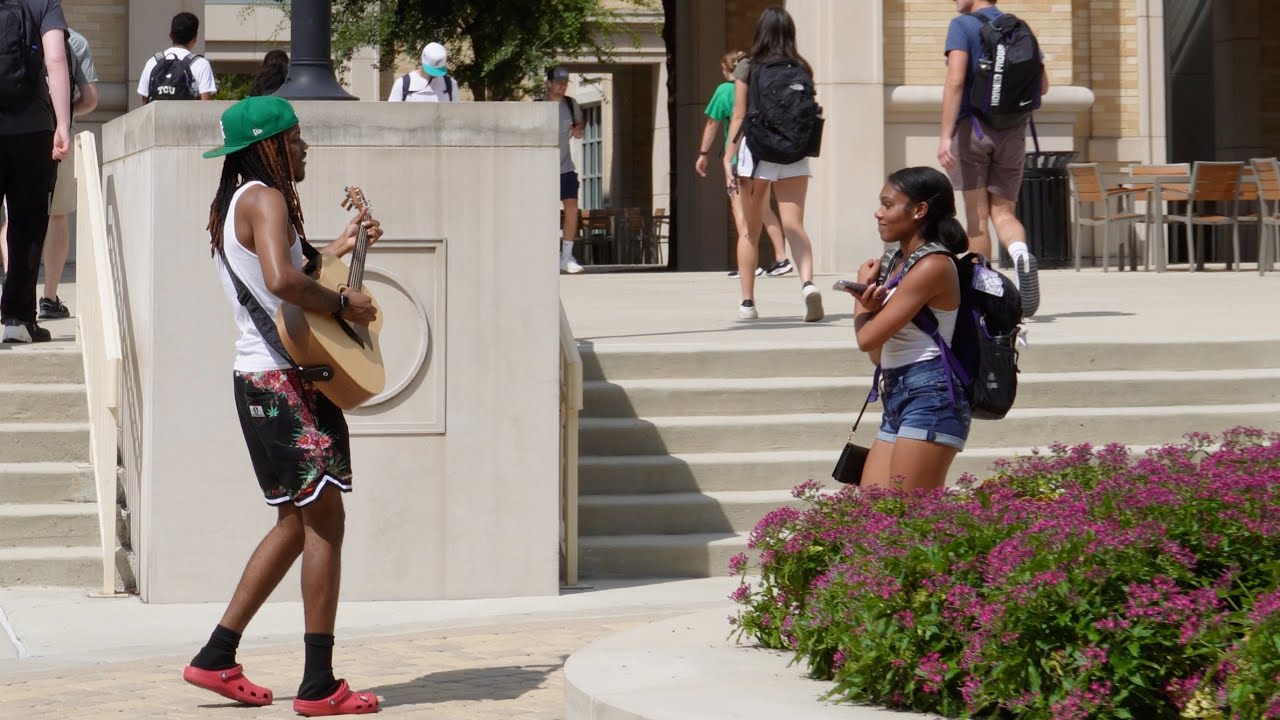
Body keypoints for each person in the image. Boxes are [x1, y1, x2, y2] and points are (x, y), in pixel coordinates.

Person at [185, 96, 382, 716]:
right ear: (268, 144)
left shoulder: (236, 202)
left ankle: (216, 656)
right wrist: (345, 305)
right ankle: (319, 686)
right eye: (295, 139)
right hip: (285, 381)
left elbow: (285, 271)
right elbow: (280, 283)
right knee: (325, 522)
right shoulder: (265, 197)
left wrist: (337, 246)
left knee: (297, 521)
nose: (304, 148)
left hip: (258, 381)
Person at [849, 166, 972, 490]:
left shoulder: (933, 265)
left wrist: (862, 293)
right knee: (873, 513)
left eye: (888, 204)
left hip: (932, 394)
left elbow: (866, 338)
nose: (878, 213)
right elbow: (877, 355)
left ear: (919, 210)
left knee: (911, 519)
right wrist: (872, 304)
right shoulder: (893, 263)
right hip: (897, 389)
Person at [938, 0, 1048, 316]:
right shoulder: (1018, 27)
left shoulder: (962, 26)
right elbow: (1042, 84)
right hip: (1012, 131)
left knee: (977, 218)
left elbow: (955, 81)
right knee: (1004, 213)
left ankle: (983, 296)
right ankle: (1021, 254)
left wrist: (945, 134)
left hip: (971, 128)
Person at [723, 6, 822, 322]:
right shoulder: (802, 68)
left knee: (750, 232)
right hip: (795, 153)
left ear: (760, 32)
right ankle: (807, 284)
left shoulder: (747, 68)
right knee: (794, 225)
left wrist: (728, 156)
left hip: (758, 152)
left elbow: (739, 115)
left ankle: (748, 303)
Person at [0, 0, 71, 343]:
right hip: (32, 128)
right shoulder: (43, 3)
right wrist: (63, 124)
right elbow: (56, 60)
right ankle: (17, 319)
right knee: (26, 225)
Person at [696, 49, 793, 280]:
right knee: (764, 208)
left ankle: (749, 263)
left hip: (740, 157)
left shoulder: (725, 90)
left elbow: (712, 124)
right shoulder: (758, 89)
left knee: (740, 209)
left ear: (725, 69)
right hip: (763, 154)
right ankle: (782, 258)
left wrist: (703, 153)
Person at [35, 27, 98, 320]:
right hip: (57, 135)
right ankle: (48, 298)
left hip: (13, 131)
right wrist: (63, 115)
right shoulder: (74, 40)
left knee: (12, 217)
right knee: (57, 214)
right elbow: (90, 99)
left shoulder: (11, 28)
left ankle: (13, 292)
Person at [546, 66, 584, 274]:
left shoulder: (571, 104)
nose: (562, 85)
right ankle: (546, 253)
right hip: (543, 168)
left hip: (565, 166)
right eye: (558, 81)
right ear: (549, 83)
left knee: (571, 206)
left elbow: (579, 130)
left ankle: (567, 256)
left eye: (565, 82)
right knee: (545, 210)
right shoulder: (540, 106)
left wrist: (578, 131)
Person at [137, 12, 216, 103]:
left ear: (170, 35)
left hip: (159, 117)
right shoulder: (201, 64)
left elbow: (145, 106)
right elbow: (204, 106)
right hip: (186, 116)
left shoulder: (152, 62)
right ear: (195, 38)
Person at [387, 42, 461, 103]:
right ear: (420, 59)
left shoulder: (451, 84)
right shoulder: (402, 84)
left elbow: (456, 116)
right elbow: (392, 115)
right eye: (431, 69)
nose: (434, 74)